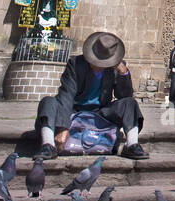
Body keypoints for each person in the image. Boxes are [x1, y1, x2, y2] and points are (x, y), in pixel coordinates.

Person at [34, 31, 148, 160]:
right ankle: (48, 145)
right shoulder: (75, 64)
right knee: (48, 102)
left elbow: (124, 96)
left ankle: (132, 144)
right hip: (74, 109)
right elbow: (66, 95)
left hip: (101, 112)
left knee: (130, 103)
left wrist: (123, 74)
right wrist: (62, 126)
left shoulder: (115, 66)